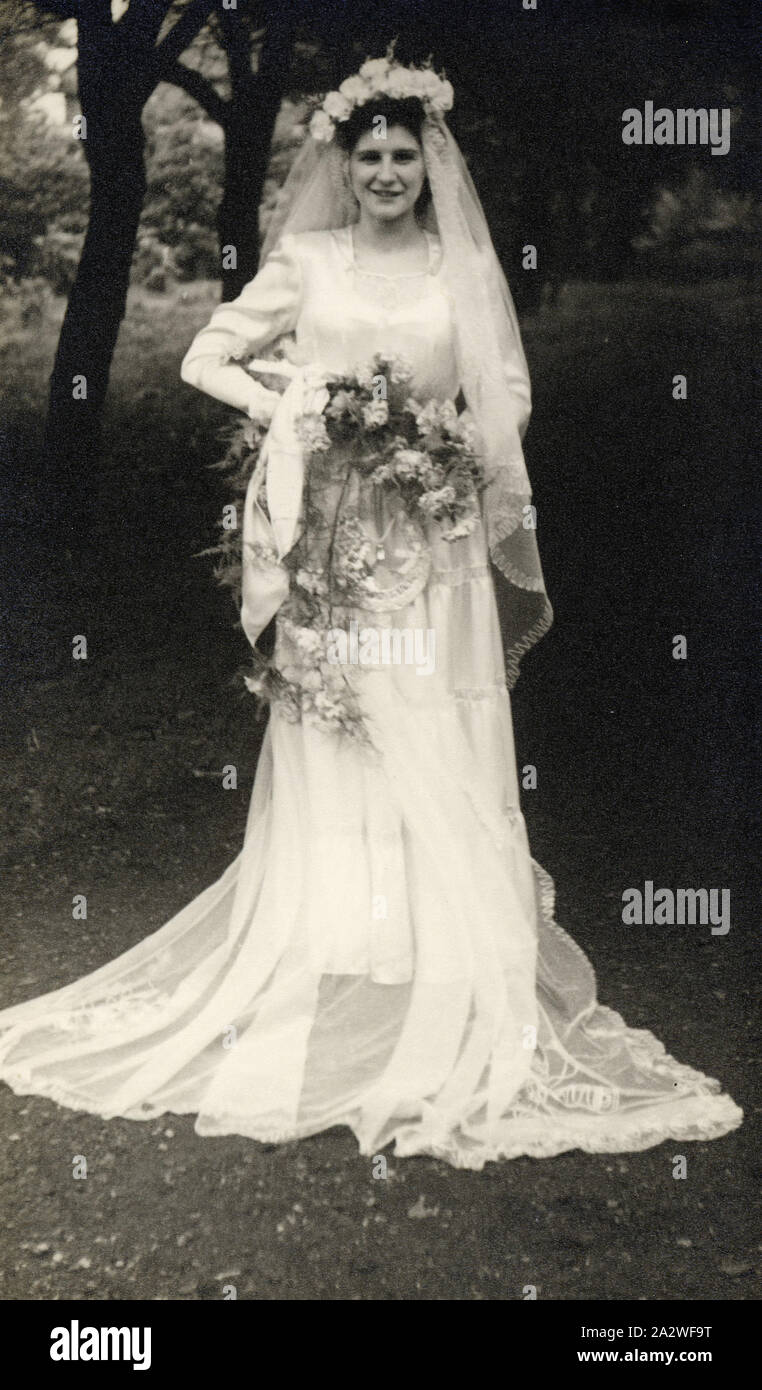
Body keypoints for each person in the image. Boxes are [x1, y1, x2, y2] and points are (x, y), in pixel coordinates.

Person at [0, 57, 742, 1168]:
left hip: (433, 538)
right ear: (344, 169)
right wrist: (298, 408)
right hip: (338, 542)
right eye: (372, 157)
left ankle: (447, 947)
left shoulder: (462, 264)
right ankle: (338, 934)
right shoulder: (307, 261)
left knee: (436, 716)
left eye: (405, 156)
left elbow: (508, 391)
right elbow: (209, 355)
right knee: (341, 724)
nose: (389, 172)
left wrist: (448, 450)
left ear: (427, 167)